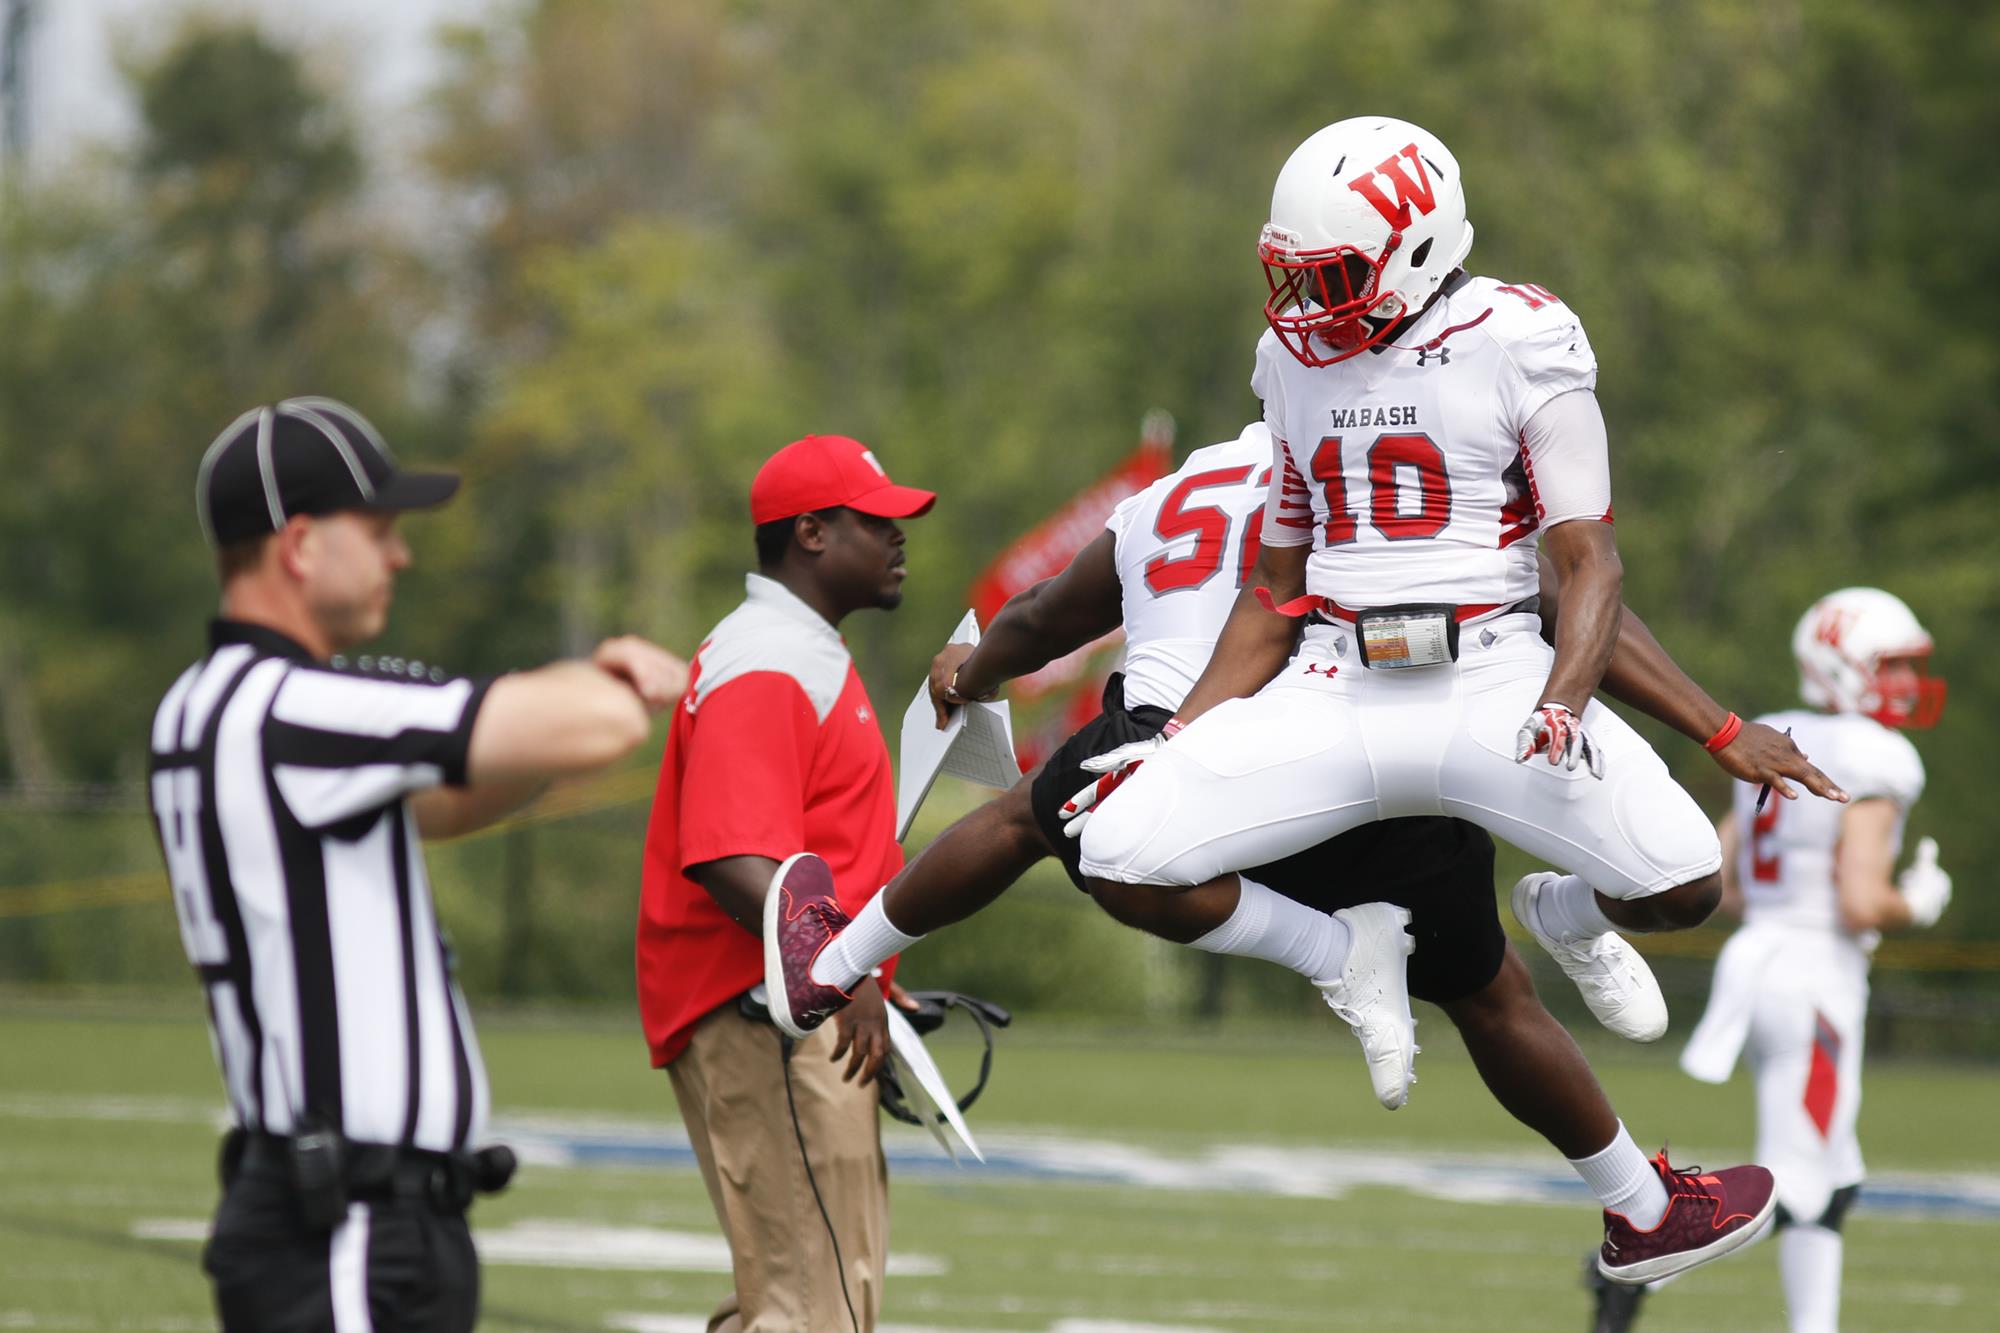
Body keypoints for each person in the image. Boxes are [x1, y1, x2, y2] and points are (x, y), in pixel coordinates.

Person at [767, 419, 1834, 1286]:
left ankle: (837, 958)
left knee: (1034, 822)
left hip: (1196, 758)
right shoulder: (1380, 469)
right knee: (1492, 992)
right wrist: (1708, 722)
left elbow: (1045, 615)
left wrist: (969, 672)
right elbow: (1560, 596)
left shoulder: (1173, 491)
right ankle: (1636, 1204)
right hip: (1341, 752)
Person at [1060, 115, 1776, 1284]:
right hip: (1336, 683)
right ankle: (1337, 953)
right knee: (1117, 848)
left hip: (1492, 675)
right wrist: (1174, 734)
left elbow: (1585, 560)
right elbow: (1275, 587)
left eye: (1329, 273)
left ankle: (1566, 913)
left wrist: (1564, 698)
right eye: (1291, 273)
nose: (1303, 302)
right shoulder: (1290, 359)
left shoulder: (1520, 334)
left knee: (1682, 881)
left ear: (1416, 247)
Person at [150, 397, 687, 1332]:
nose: (399, 555)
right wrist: (614, 673)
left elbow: (445, 802)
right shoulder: (294, 707)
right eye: (379, 530)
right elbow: (594, 725)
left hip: (357, 1211)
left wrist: (543, 730)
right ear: (300, 544)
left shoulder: (209, 704)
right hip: (347, 1218)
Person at [1578, 589, 1952, 1333]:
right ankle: (1646, 1254)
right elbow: (1860, 900)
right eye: (1892, 665)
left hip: (1761, 967)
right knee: (1806, 1180)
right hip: (1816, 979)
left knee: (1834, 1175)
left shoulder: (1779, 734)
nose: (1908, 682)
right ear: (1842, 665)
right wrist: (1917, 901)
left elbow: (1720, 872)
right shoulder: (1878, 756)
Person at [636, 433, 936, 1333]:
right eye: (876, 520)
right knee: (813, 1312)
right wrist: (841, 972)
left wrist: (872, 974)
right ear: (810, 532)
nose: (898, 537)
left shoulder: (797, 647)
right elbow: (730, 854)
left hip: (782, 1011)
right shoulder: (768, 656)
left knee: (801, 1301)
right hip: (761, 1013)